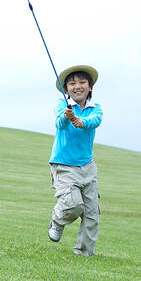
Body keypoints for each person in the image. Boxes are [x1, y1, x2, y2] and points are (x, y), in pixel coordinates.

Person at [48, 65, 102, 256]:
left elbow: (95, 121)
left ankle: (84, 253)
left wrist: (80, 121)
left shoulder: (95, 109)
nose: (77, 86)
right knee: (73, 205)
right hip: (64, 165)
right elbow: (59, 123)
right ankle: (57, 220)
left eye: (82, 82)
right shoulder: (62, 105)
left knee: (91, 213)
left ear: (90, 87)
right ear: (66, 89)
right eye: (72, 83)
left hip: (87, 167)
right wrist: (68, 116)